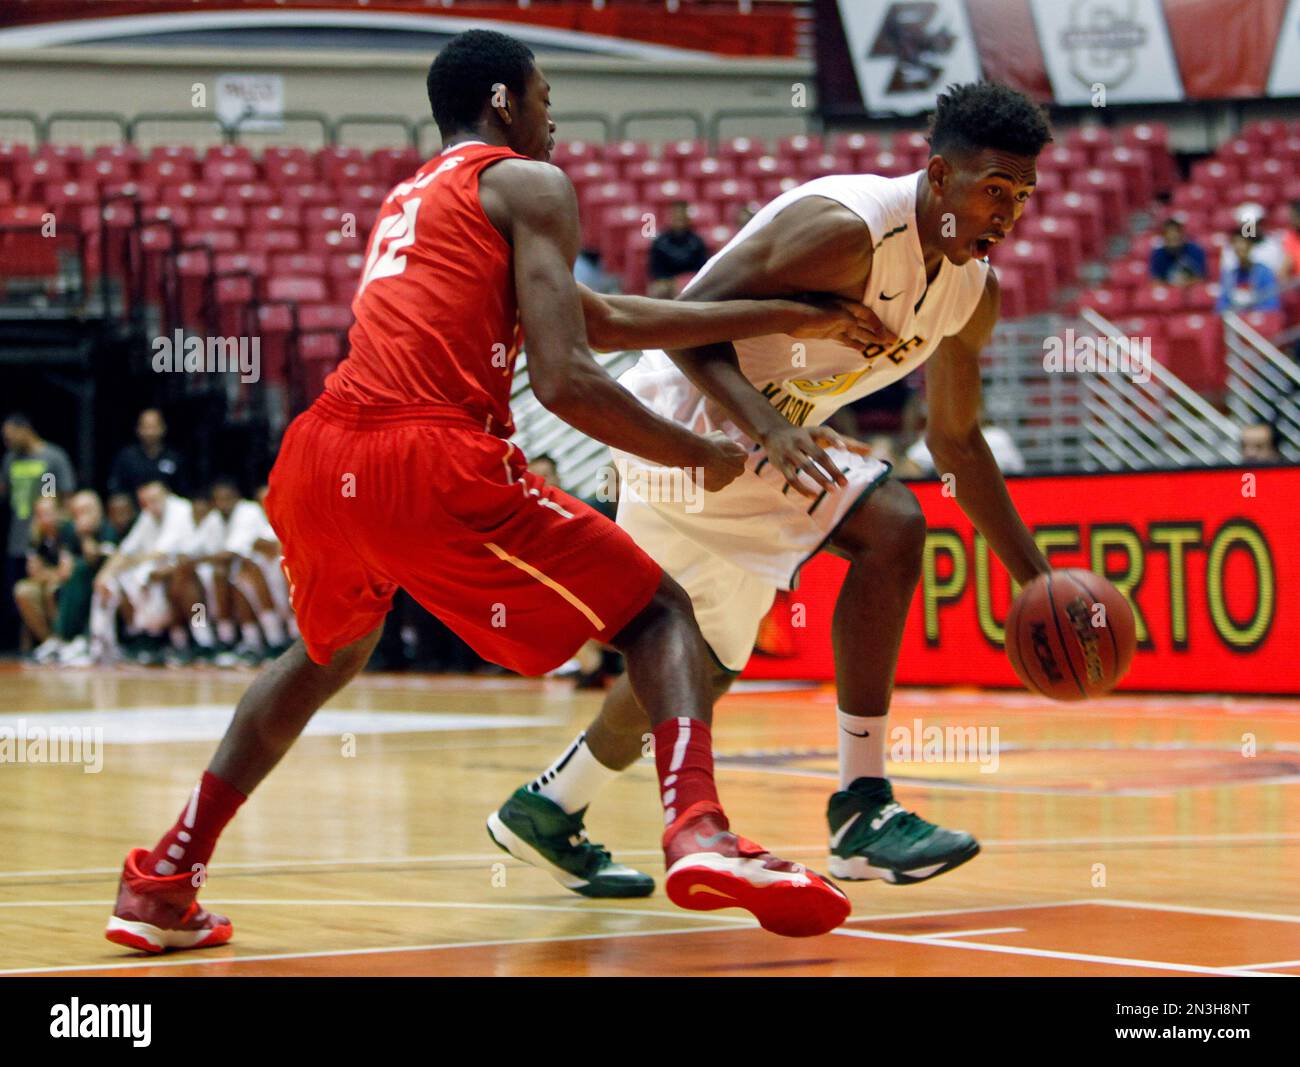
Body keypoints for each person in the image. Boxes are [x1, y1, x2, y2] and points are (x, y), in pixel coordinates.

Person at [104, 28, 882, 954]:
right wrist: (696, 451)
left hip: (318, 459)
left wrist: (792, 314)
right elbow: (566, 379)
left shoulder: (415, 198)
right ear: (506, 101)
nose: (556, 118)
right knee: (660, 616)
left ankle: (165, 878)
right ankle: (699, 829)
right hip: (429, 453)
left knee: (323, 657)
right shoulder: (531, 183)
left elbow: (609, 317)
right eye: (545, 95)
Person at [494, 80, 1059, 896]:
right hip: (684, 423)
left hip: (750, 439)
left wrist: (1035, 577)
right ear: (940, 177)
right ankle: (863, 808)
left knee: (699, 665)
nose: (1008, 213)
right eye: (994, 190)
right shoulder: (847, 230)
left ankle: (549, 806)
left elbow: (957, 443)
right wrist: (768, 426)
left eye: (1024, 195)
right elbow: (688, 322)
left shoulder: (974, 292)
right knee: (892, 526)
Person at [89, 479, 195, 666]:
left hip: (188, 571)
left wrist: (127, 564)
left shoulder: (180, 510)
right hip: (152, 570)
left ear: (166, 495)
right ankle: (101, 645)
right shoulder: (148, 515)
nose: (150, 505)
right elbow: (126, 550)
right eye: (146, 501)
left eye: (154, 499)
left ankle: (185, 642)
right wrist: (104, 574)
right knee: (109, 584)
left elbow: (160, 552)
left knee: (149, 577)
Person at [1, 413, 76, 647]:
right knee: (19, 595)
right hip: (18, 536)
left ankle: (59, 642)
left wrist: (54, 527)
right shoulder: (10, 459)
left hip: (46, 535)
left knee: (51, 590)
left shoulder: (49, 458)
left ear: (25, 429)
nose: (8, 443)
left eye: (11, 437)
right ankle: (28, 647)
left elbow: (58, 496)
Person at [13, 496, 76, 654]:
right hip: (45, 581)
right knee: (23, 590)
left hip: (71, 583)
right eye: (40, 514)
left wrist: (48, 574)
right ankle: (48, 641)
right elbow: (33, 571)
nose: (45, 518)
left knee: (52, 590)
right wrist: (50, 574)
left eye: (49, 513)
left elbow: (66, 572)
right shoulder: (35, 536)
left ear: (58, 513)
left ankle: (63, 639)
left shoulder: (67, 531)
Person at [107, 408, 188, 498]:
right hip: (135, 509)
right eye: (146, 427)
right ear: (138, 429)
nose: (150, 432)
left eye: (154, 427)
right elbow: (116, 488)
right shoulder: (126, 457)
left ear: (163, 428)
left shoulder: (174, 458)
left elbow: (182, 490)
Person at [647, 200, 709, 297]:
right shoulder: (660, 242)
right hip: (666, 282)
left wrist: (683, 281)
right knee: (658, 289)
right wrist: (671, 282)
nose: (679, 218)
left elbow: (702, 268)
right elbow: (655, 270)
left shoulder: (697, 241)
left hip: (690, 281)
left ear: (687, 218)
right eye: (676, 215)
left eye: (682, 215)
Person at [1215, 233, 1282, 313]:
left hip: (1258, 318)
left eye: (1243, 243)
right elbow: (1221, 304)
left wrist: (1250, 313)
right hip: (1234, 319)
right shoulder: (1229, 275)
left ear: (1250, 246)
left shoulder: (1264, 272)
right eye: (1236, 244)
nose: (1239, 247)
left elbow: (1271, 303)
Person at [1148, 217, 1206, 285]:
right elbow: (1155, 281)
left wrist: (1184, 284)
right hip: (1169, 291)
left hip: (1191, 290)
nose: (1173, 244)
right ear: (1164, 238)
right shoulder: (1158, 254)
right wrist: (1173, 287)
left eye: (1176, 238)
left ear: (1182, 236)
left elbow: (1201, 279)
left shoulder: (1196, 251)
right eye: (1170, 239)